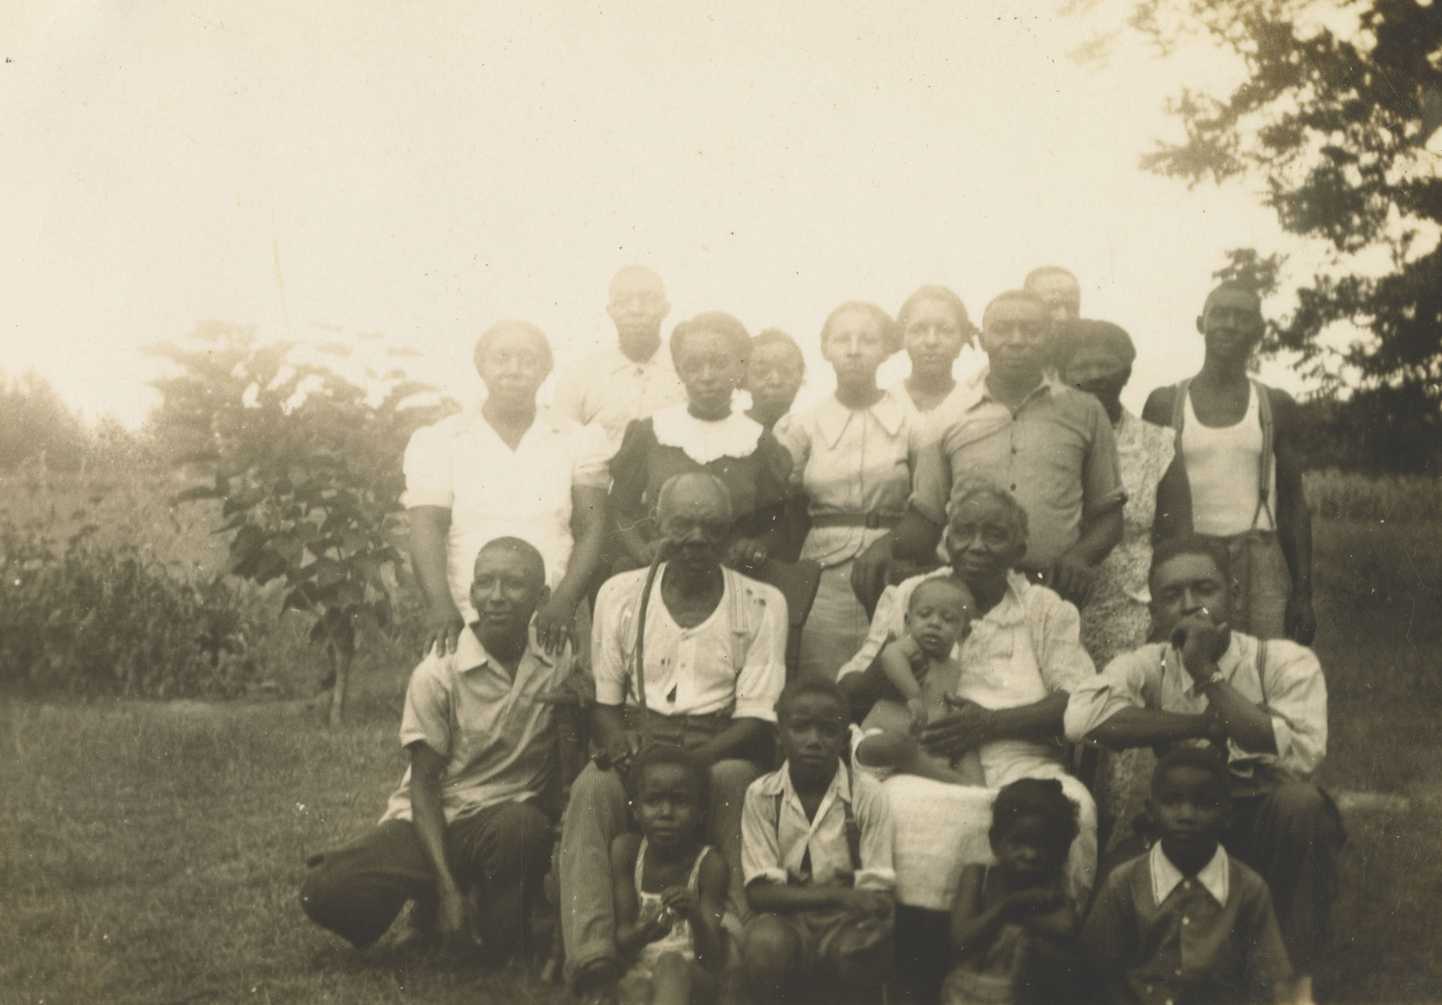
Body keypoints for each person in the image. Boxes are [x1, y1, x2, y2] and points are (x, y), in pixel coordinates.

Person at [1064, 534, 1340, 999]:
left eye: (1205, 589)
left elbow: (1302, 751)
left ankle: (1292, 985)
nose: (1190, 605)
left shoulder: (1282, 659)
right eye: (1171, 596)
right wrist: (1196, 724)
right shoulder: (1149, 664)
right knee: (1116, 883)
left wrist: (1205, 672)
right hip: (1183, 818)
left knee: (1302, 807)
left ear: (1233, 592)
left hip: (1262, 819)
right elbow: (1079, 719)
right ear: (1153, 613)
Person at [557, 473, 788, 998]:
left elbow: (755, 718)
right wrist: (618, 743)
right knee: (595, 789)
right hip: (640, 741)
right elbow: (607, 705)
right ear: (657, 523)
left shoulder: (760, 602)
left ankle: (728, 949)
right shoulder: (620, 593)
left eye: (711, 526)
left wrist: (690, 761)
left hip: (719, 742)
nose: (696, 538)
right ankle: (593, 956)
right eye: (681, 524)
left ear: (729, 532)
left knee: (735, 782)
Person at [300, 538, 570, 960]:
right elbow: (424, 786)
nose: (497, 597)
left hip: (506, 825)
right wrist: (446, 890)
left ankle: (490, 900)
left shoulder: (558, 658)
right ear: (472, 592)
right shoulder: (439, 670)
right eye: (485, 583)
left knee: (503, 948)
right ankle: (432, 899)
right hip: (433, 820)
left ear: (542, 596)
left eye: (514, 584)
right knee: (325, 891)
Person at [839, 480, 1099, 917]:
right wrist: (892, 669)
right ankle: (915, 941)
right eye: (964, 532)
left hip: (1023, 764)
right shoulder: (910, 596)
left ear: (1020, 549)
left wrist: (990, 724)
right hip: (925, 761)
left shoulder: (1045, 609)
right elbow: (850, 688)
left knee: (1076, 809)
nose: (976, 546)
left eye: (995, 535)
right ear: (945, 542)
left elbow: (1079, 699)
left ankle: (1027, 944)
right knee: (897, 803)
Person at [853, 290, 1124, 617]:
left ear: (1050, 338)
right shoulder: (947, 414)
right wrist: (882, 548)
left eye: (1031, 330)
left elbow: (1108, 515)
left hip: (1051, 593)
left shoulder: (1085, 411)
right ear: (982, 339)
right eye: (1002, 329)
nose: (1016, 340)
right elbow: (927, 515)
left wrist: (1080, 557)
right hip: (965, 590)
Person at [404, 321, 609, 658]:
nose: (514, 370)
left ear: (545, 370)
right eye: (501, 358)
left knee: (550, 703)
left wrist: (563, 603)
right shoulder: (439, 440)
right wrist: (441, 606)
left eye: (528, 360)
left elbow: (593, 527)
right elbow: (426, 527)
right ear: (480, 365)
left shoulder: (578, 440)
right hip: (469, 612)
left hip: (549, 614)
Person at [1059, 319, 1182, 856]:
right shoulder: (1051, 433)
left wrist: (1166, 612)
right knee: (1057, 736)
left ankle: (1115, 869)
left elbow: (1177, 535)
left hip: (1132, 611)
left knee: (1120, 750)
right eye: (1080, 365)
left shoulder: (1157, 444)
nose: (1093, 375)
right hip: (1059, 607)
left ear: (1128, 369)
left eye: (1105, 363)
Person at [1141, 280, 1316, 644]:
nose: (1230, 324)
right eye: (1220, 314)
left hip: (1259, 556)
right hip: (1188, 555)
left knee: (1264, 664)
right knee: (1189, 663)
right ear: (1201, 322)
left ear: (1259, 330)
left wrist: (1302, 593)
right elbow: (1149, 502)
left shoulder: (1275, 405)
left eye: (1242, 317)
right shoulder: (1165, 403)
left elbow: (1294, 505)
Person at [775, 300, 922, 679]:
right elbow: (778, 494)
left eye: (868, 340)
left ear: (886, 350)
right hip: (823, 573)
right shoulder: (803, 425)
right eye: (843, 339)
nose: (854, 350)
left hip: (895, 565)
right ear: (825, 348)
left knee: (890, 675)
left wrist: (898, 546)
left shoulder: (913, 423)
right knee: (821, 678)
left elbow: (931, 499)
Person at [1081, 747, 1295, 1005]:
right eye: (1172, 802)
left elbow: (1269, 981)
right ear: (1151, 811)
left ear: (1227, 814)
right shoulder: (1124, 883)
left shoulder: (1248, 889)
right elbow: (1095, 973)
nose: (1186, 815)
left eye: (1203, 804)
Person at [740, 677, 896, 1004]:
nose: (814, 740)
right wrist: (839, 896)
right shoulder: (762, 794)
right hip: (786, 919)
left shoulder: (867, 794)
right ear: (779, 735)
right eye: (800, 728)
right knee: (765, 943)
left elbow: (875, 895)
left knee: (864, 947)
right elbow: (759, 892)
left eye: (828, 730)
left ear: (845, 739)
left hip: (845, 921)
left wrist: (851, 904)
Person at [608, 311, 793, 578]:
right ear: (680, 369)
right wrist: (640, 549)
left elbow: (777, 522)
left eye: (719, 363)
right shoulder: (652, 431)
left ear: (741, 367)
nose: (706, 376)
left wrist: (757, 545)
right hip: (661, 575)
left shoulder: (757, 441)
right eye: (693, 365)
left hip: (734, 578)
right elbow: (620, 510)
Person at [943, 778, 1086, 1005]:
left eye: (1042, 845)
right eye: (1019, 842)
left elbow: (1066, 927)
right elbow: (960, 938)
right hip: (960, 997)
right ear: (995, 841)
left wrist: (1011, 913)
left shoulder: (1051, 885)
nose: (1030, 854)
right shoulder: (978, 876)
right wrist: (1010, 906)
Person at [612, 746, 729, 1005]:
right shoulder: (628, 852)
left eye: (680, 801)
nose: (666, 812)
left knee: (671, 965)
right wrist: (645, 932)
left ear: (700, 813)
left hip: (694, 979)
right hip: (639, 974)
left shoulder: (709, 864)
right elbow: (622, 940)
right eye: (653, 801)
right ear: (635, 809)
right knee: (637, 991)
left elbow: (711, 958)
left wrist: (695, 915)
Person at [854, 577, 985, 787]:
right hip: (887, 736)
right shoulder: (910, 648)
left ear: (964, 632)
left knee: (969, 752)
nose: (934, 623)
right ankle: (950, 780)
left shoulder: (955, 667)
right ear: (907, 622)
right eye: (925, 615)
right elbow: (890, 656)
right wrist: (913, 695)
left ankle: (977, 790)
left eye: (948, 619)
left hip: (927, 744)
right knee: (899, 746)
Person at [553, 265, 686, 451]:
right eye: (623, 301)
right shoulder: (580, 376)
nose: (636, 309)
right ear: (611, 311)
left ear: (665, 309)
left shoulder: (689, 372)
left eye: (648, 300)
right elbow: (561, 446)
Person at [894, 284, 983, 419]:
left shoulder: (976, 406)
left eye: (945, 330)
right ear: (903, 338)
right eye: (918, 329)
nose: (931, 341)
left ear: (963, 338)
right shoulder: (887, 402)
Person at [744, 328, 806, 432]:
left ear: (801, 375)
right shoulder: (729, 431)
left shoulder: (811, 430)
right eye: (762, 372)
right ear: (745, 379)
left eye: (786, 371)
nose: (775, 382)